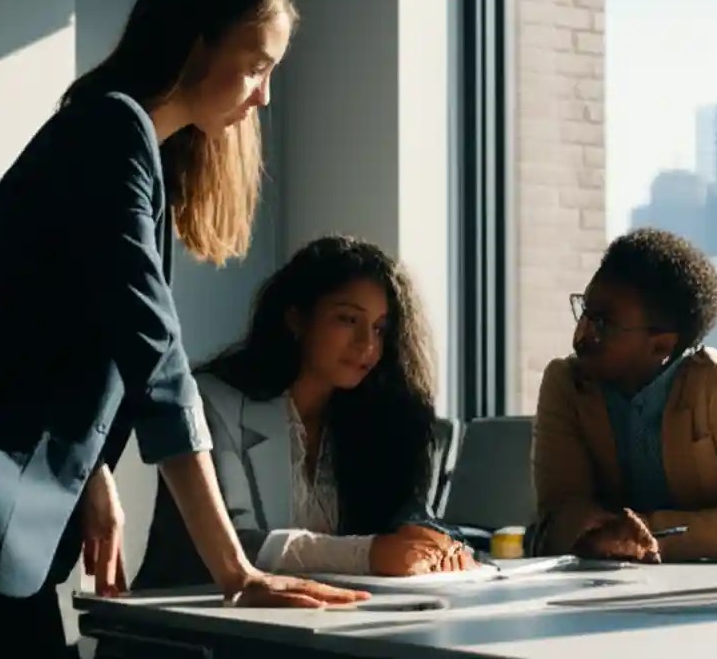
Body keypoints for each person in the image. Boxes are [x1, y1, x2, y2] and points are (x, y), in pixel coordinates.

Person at [0, 0, 365, 657]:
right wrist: (235, 570)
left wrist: (94, 477)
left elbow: (71, 326)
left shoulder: (123, 139)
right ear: (196, 43)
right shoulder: (111, 133)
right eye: (256, 66)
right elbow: (154, 357)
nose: (263, 96)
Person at [129, 235, 475, 595]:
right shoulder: (212, 402)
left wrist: (426, 538)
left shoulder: (376, 424)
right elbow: (230, 550)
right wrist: (366, 554)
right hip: (191, 627)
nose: (367, 345)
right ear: (296, 319)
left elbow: (404, 516)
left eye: (379, 329)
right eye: (347, 319)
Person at [531, 228, 717, 563]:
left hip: (713, 599)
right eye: (585, 312)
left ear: (660, 345)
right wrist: (585, 529)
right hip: (601, 596)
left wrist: (648, 532)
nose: (580, 335)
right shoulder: (567, 384)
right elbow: (556, 519)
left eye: (602, 324)